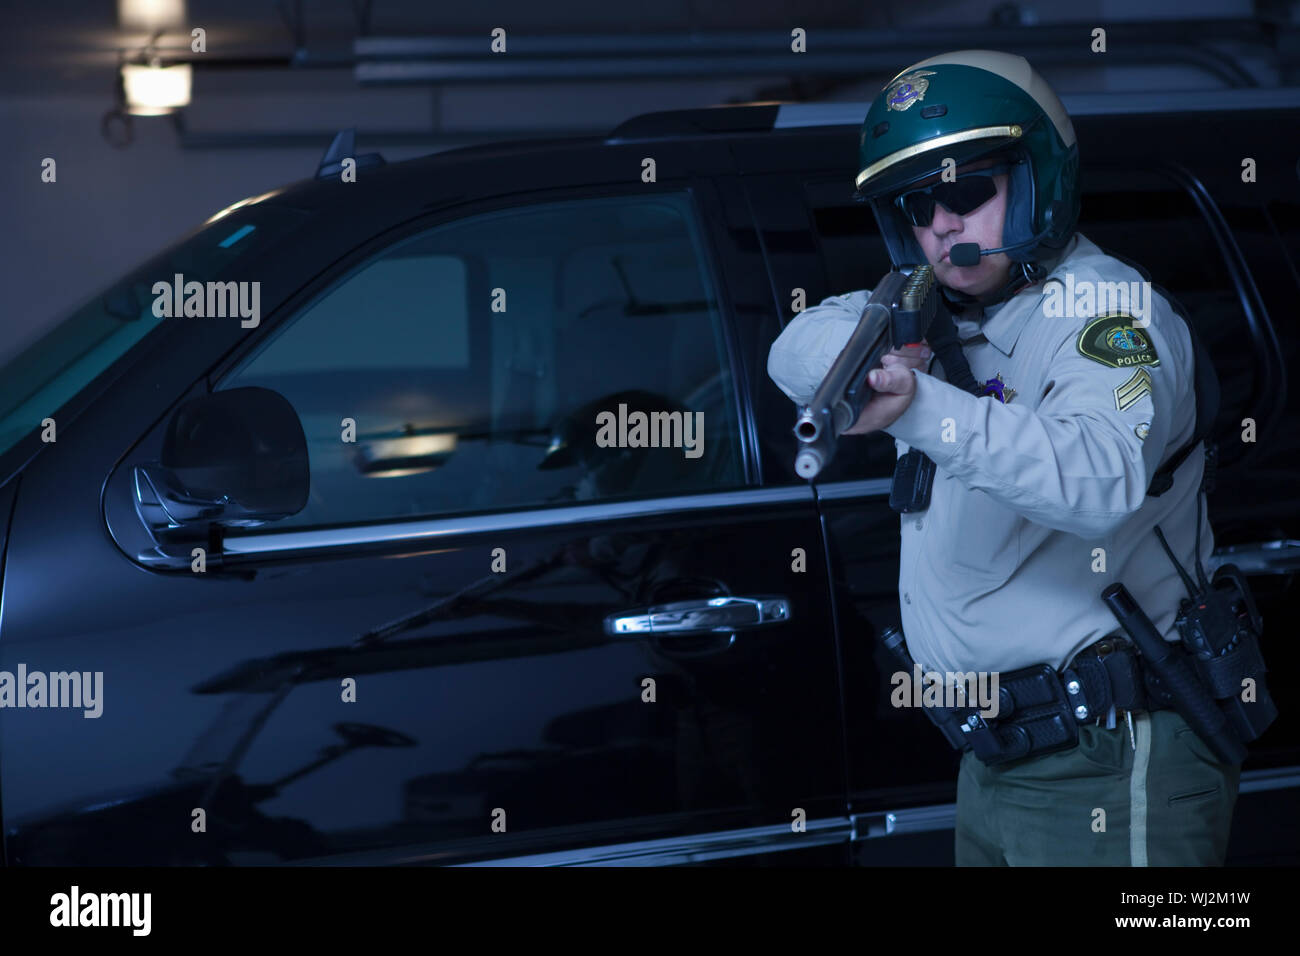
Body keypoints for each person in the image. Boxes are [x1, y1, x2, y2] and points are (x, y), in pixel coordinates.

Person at [767, 50, 1242, 865]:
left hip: (1108, 755)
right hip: (996, 759)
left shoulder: (1110, 315)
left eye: (963, 190)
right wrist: (890, 355)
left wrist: (922, 405)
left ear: (1037, 181)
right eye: (918, 204)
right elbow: (794, 350)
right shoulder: (938, 311)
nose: (941, 224)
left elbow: (1097, 481)